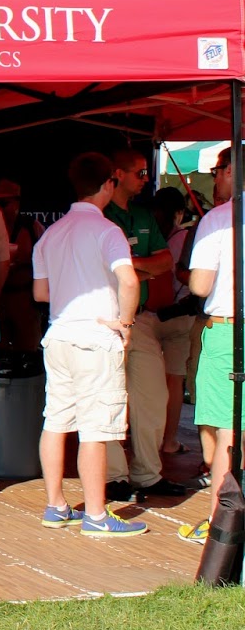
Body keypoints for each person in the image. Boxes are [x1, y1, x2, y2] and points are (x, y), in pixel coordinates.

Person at [32, 151, 146, 536]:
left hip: (59, 333)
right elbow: (129, 280)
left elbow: (41, 293)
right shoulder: (107, 231)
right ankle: (96, 514)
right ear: (108, 184)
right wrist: (125, 322)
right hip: (95, 335)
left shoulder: (52, 233)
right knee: (95, 428)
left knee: (56, 421)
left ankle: (55, 505)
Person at [102, 149, 187, 501]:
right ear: (117, 174)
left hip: (143, 320)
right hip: (107, 320)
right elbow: (106, 270)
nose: (146, 179)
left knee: (154, 397)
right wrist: (142, 265)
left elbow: (166, 261)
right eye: (140, 173)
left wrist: (129, 264)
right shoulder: (100, 217)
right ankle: (112, 477)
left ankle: (147, 475)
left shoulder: (143, 215)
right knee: (108, 401)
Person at [181, 147, 242, 545]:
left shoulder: (219, 220)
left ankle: (222, 523)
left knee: (226, 433)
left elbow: (200, 286)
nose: (215, 177)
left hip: (227, 330)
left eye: (219, 170)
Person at [147, 186, 197, 456]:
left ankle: (145, 437)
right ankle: (168, 441)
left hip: (149, 314)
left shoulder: (150, 236)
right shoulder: (186, 237)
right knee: (174, 381)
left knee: (147, 382)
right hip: (179, 316)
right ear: (179, 212)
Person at [0, 179, 44, 354]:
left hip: (24, 298)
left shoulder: (32, 226)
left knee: (27, 349)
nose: (1, 208)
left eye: (5, 203)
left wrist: (23, 262)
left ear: (16, 203)